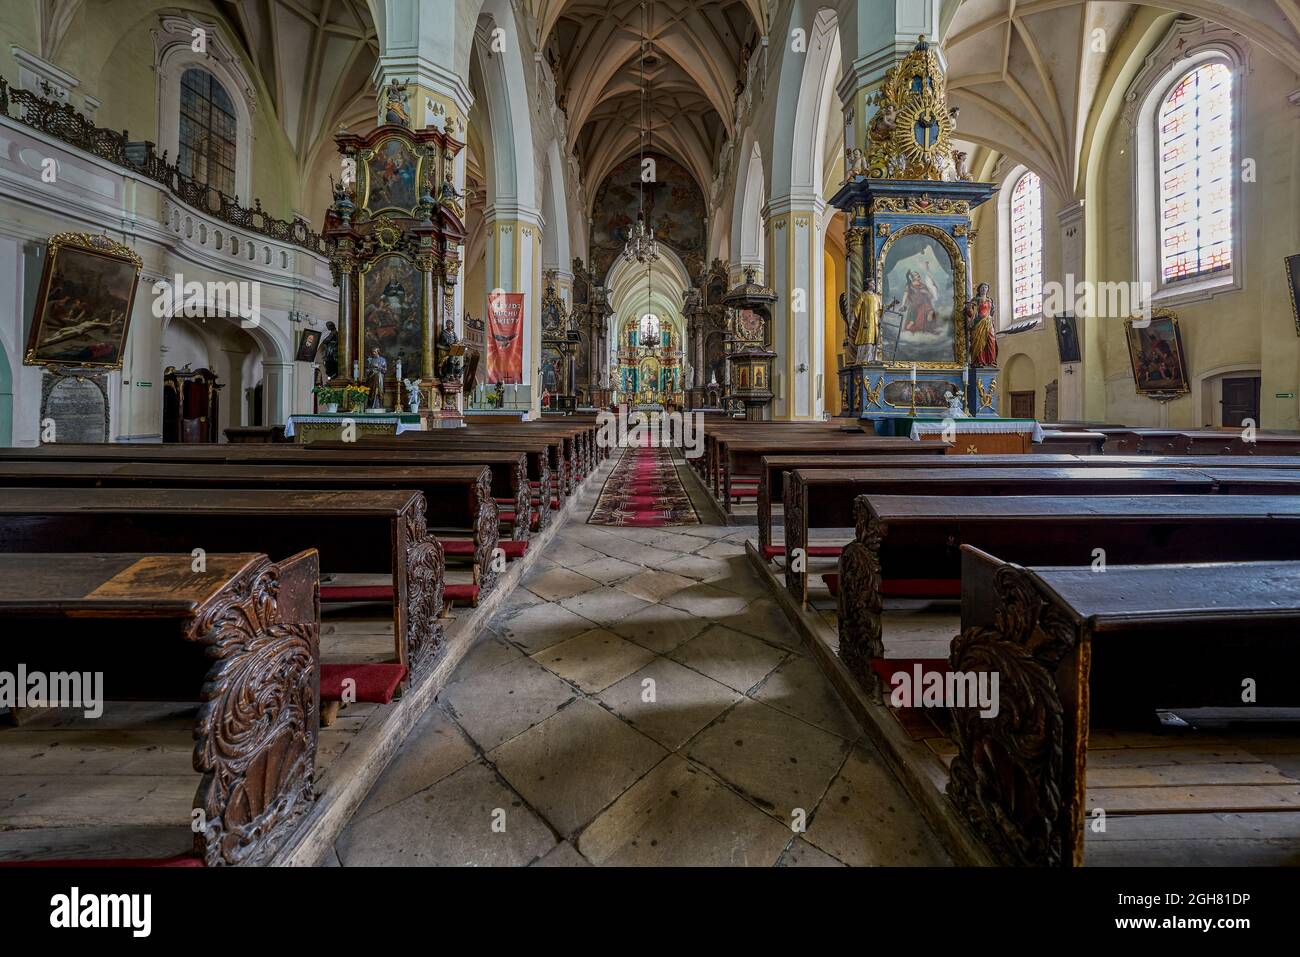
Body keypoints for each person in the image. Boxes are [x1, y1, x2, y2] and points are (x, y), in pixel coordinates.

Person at [965, 282, 998, 367]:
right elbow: (969, 312)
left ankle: (991, 361)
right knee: (979, 341)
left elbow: (992, 311)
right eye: (982, 288)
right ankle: (979, 361)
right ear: (979, 289)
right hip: (978, 323)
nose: (984, 289)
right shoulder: (975, 300)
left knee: (991, 341)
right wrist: (969, 309)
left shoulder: (990, 300)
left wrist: (989, 318)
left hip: (988, 322)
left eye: (986, 288)